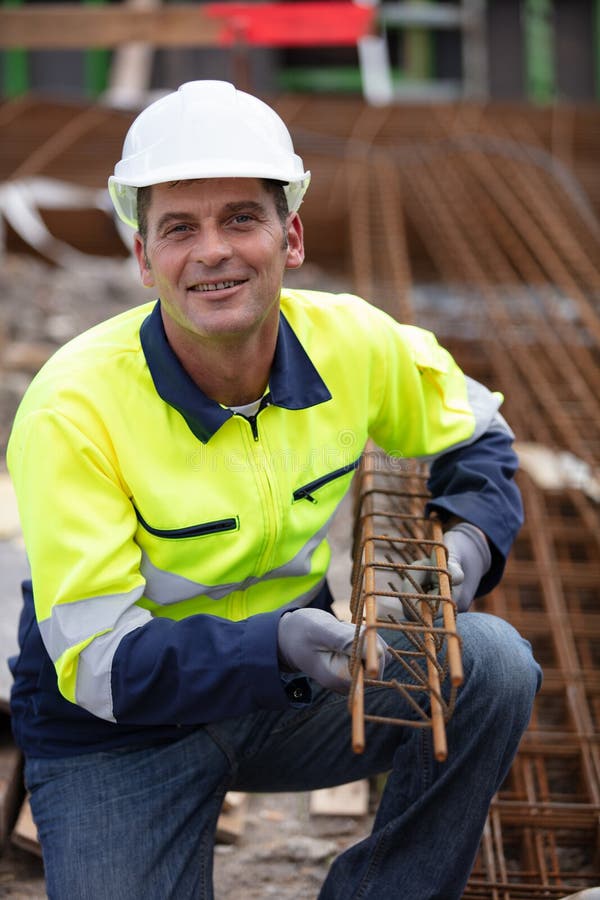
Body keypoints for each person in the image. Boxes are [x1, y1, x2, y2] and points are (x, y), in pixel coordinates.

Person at [7, 80, 541, 900]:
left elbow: (479, 428)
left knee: (495, 665)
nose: (213, 251)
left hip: (297, 691)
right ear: (144, 258)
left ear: (289, 237)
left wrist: (467, 537)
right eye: (180, 228)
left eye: (241, 219)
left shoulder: (352, 342)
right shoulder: (73, 408)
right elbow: (102, 668)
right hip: (120, 731)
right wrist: (277, 648)